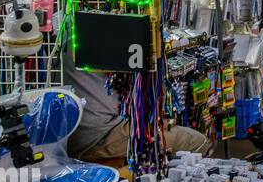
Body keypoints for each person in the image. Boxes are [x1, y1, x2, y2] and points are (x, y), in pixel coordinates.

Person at [65, 51, 208, 162]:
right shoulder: (110, 40)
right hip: (100, 137)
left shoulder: (72, 37)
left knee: (169, 126)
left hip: (82, 134)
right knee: (197, 141)